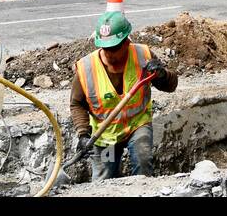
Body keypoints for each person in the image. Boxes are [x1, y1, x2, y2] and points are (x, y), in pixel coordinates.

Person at [70, 11, 177, 180]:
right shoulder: (86, 68)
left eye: (114, 48)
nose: (109, 53)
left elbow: (171, 86)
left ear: (126, 42)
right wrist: (83, 134)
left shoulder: (143, 56)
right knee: (104, 179)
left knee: (142, 161)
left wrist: (162, 74)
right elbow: (77, 104)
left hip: (137, 126)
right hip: (106, 137)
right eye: (105, 48)